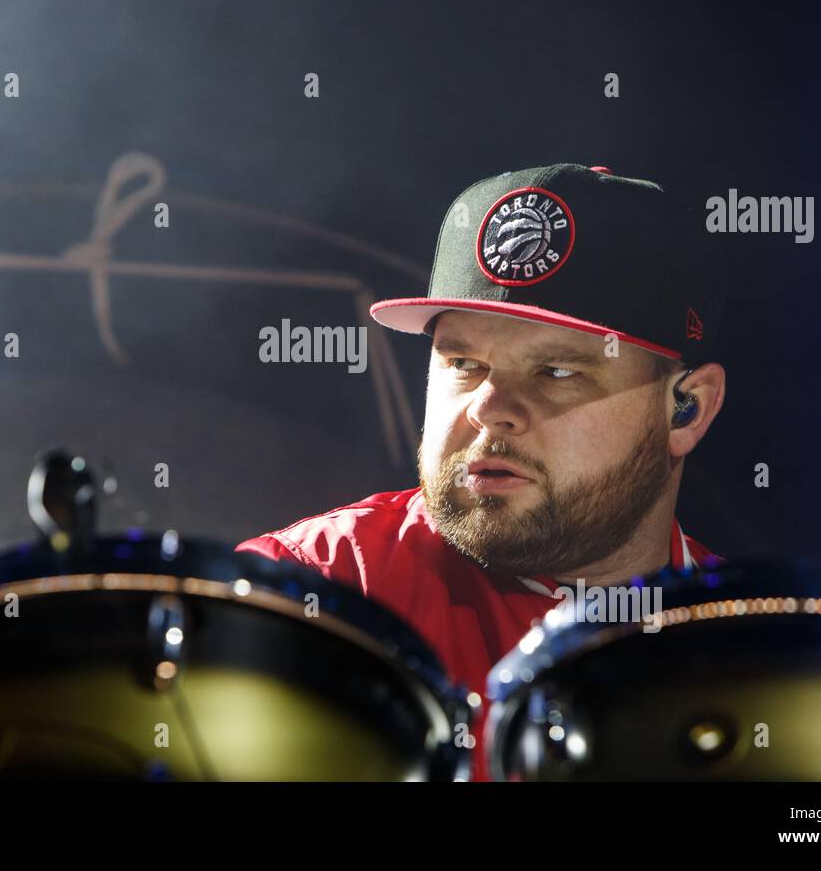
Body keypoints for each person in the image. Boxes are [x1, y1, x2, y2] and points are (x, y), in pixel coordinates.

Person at [236, 163, 727, 776]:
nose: (489, 409)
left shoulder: (766, 652)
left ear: (686, 409)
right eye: (463, 363)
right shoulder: (311, 593)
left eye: (557, 372)